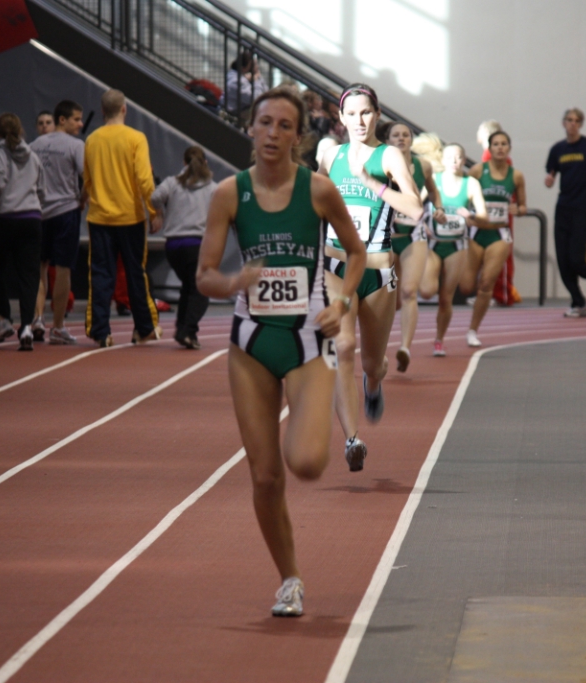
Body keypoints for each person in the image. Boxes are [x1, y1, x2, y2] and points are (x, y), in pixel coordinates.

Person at [196, 87, 365, 617]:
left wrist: (341, 303)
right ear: (251, 129)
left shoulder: (317, 191)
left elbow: (356, 254)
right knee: (266, 475)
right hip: (250, 343)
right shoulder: (229, 193)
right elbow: (203, 277)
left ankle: (322, 411)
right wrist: (233, 282)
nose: (272, 133)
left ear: (298, 135)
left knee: (308, 463)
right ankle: (289, 578)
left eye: (284, 125)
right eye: (264, 122)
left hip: (309, 340)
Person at [318, 83, 423, 471]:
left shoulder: (389, 155)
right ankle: (352, 439)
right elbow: (311, 200)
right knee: (344, 347)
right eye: (352, 114)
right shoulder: (331, 156)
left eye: (367, 113)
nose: (360, 120)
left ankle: (374, 385)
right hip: (335, 268)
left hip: (378, 273)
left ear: (376, 115)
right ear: (341, 118)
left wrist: (374, 184)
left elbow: (414, 207)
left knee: (373, 364)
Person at [83, 88, 161, 348]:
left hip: (99, 219)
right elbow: (144, 180)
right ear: (124, 109)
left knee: (101, 275)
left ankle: (101, 331)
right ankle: (144, 329)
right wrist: (153, 211)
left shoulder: (92, 140)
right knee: (135, 274)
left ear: (103, 111)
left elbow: (88, 180)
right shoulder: (136, 138)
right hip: (130, 218)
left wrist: (87, 199)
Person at [0, 113, 46, 351]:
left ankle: (3, 318)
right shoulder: (33, 157)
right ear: (21, 129)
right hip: (31, 218)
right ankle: (26, 326)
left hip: (3, 218)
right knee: (29, 276)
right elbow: (42, 189)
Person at [385, 122, 443, 372]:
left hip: (413, 234)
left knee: (409, 291)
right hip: (385, 238)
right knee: (389, 299)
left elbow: (433, 190)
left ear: (411, 139)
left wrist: (438, 208)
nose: (401, 138)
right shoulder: (379, 164)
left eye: (405, 135)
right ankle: (379, 347)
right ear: (388, 140)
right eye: (395, 135)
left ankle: (405, 348)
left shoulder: (423, 166)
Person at [545, 108, 586, 317]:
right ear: (563, 123)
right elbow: (551, 176)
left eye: (576, 121)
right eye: (569, 120)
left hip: (584, 208)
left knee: (577, 258)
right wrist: (549, 180)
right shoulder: (557, 149)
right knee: (563, 261)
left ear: (581, 124)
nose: (573, 124)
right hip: (563, 208)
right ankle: (579, 303)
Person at [421, 143, 487, 356]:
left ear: (464, 160)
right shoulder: (434, 180)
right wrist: (423, 222)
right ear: (443, 160)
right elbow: (414, 204)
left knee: (445, 298)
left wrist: (471, 216)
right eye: (450, 157)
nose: (455, 161)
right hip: (433, 243)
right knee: (427, 290)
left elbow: (483, 216)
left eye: (459, 157)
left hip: (457, 245)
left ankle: (439, 340)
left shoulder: (471, 184)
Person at [29, 99, 86, 345]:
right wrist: (82, 200)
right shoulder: (76, 145)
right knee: (63, 270)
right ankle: (59, 327)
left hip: (38, 213)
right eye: (76, 119)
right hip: (66, 211)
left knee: (39, 269)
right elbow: (88, 177)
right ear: (62, 120)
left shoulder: (34, 145)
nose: (81, 124)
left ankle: (37, 319)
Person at [150, 145, 217, 349]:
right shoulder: (212, 187)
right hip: (196, 244)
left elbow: (154, 197)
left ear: (183, 163)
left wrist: (160, 213)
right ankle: (187, 330)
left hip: (173, 245)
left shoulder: (172, 183)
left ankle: (183, 329)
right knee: (201, 290)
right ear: (205, 162)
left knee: (189, 286)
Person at [465, 130, 527, 346]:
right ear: (489, 149)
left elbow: (522, 206)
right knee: (465, 286)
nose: (500, 147)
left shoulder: (516, 175)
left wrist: (517, 209)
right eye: (496, 144)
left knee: (486, 285)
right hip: (477, 232)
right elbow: (463, 197)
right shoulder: (477, 171)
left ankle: (473, 330)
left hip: (500, 234)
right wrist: (468, 214)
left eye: (504, 144)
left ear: (509, 148)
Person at [224, 50, 268, 118]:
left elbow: (266, 91)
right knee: (262, 111)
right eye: (252, 66)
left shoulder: (245, 77)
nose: (255, 68)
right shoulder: (235, 81)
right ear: (243, 68)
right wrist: (256, 80)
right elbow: (256, 99)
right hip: (233, 114)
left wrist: (258, 77)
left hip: (242, 110)